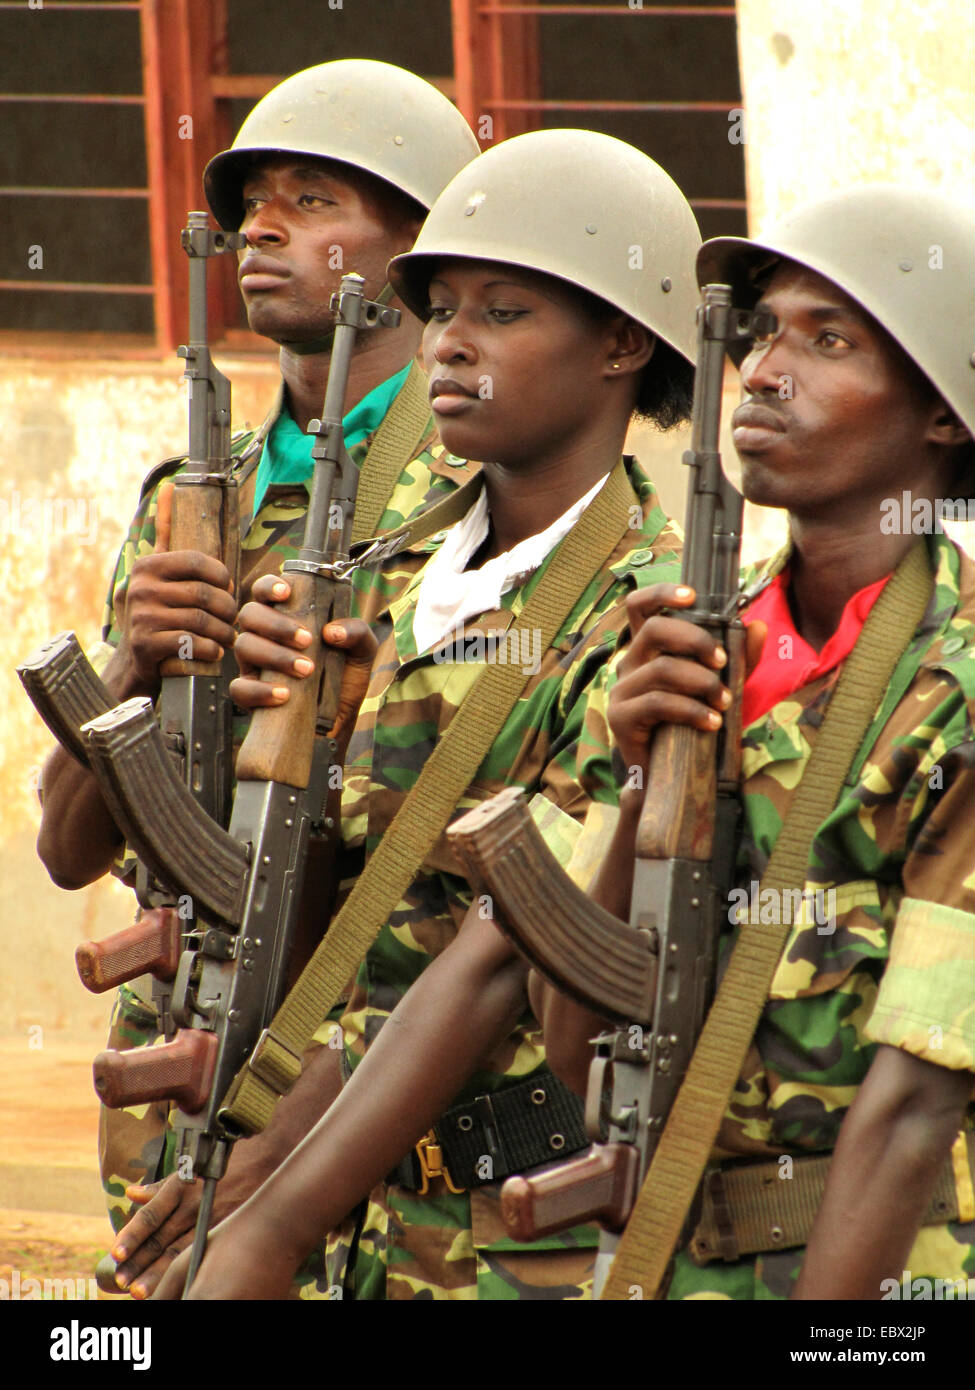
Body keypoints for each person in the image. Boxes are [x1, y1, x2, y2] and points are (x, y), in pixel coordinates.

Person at [150, 126, 701, 1300]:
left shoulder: (648, 616)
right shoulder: (383, 574)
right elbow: (307, 900)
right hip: (328, 1188)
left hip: (499, 1239)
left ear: (620, 340)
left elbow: (511, 966)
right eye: (442, 307)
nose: (449, 342)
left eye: (501, 313)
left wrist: (273, 1204)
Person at [32, 59, 479, 1291]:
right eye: (255, 204)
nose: (264, 227)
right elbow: (67, 852)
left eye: (317, 198)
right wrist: (136, 654)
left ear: (420, 253)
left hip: (358, 1085)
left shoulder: (471, 507)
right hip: (175, 1064)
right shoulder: (189, 496)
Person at [532, 184, 975, 1300]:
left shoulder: (955, 692)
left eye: (829, 341)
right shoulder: (689, 651)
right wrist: (640, 785)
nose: (766, 372)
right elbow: (571, 1046)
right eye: (766, 332)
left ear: (941, 414)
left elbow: (918, 1103)